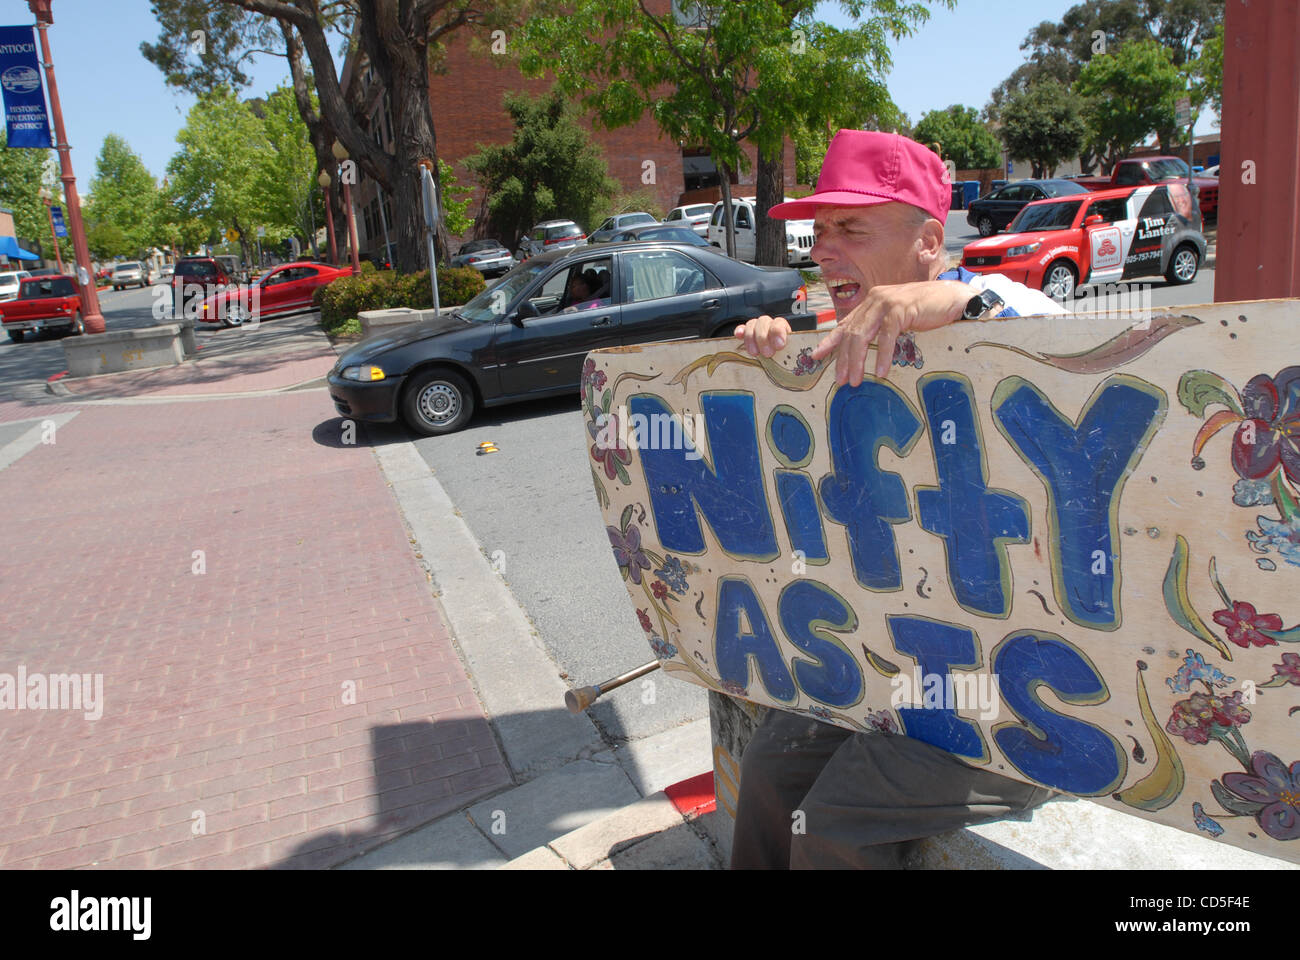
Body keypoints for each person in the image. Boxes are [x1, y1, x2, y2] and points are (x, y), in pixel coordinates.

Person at [728, 130, 1065, 870]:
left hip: (1013, 694)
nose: (822, 250)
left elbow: (1063, 343)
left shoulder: (1001, 307)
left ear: (929, 241)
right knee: (767, 771)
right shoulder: (838, 333)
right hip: (888, 662)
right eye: (818, 233)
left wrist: (954, 296)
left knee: (830, 822)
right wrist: (769, 358)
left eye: (851, 228)